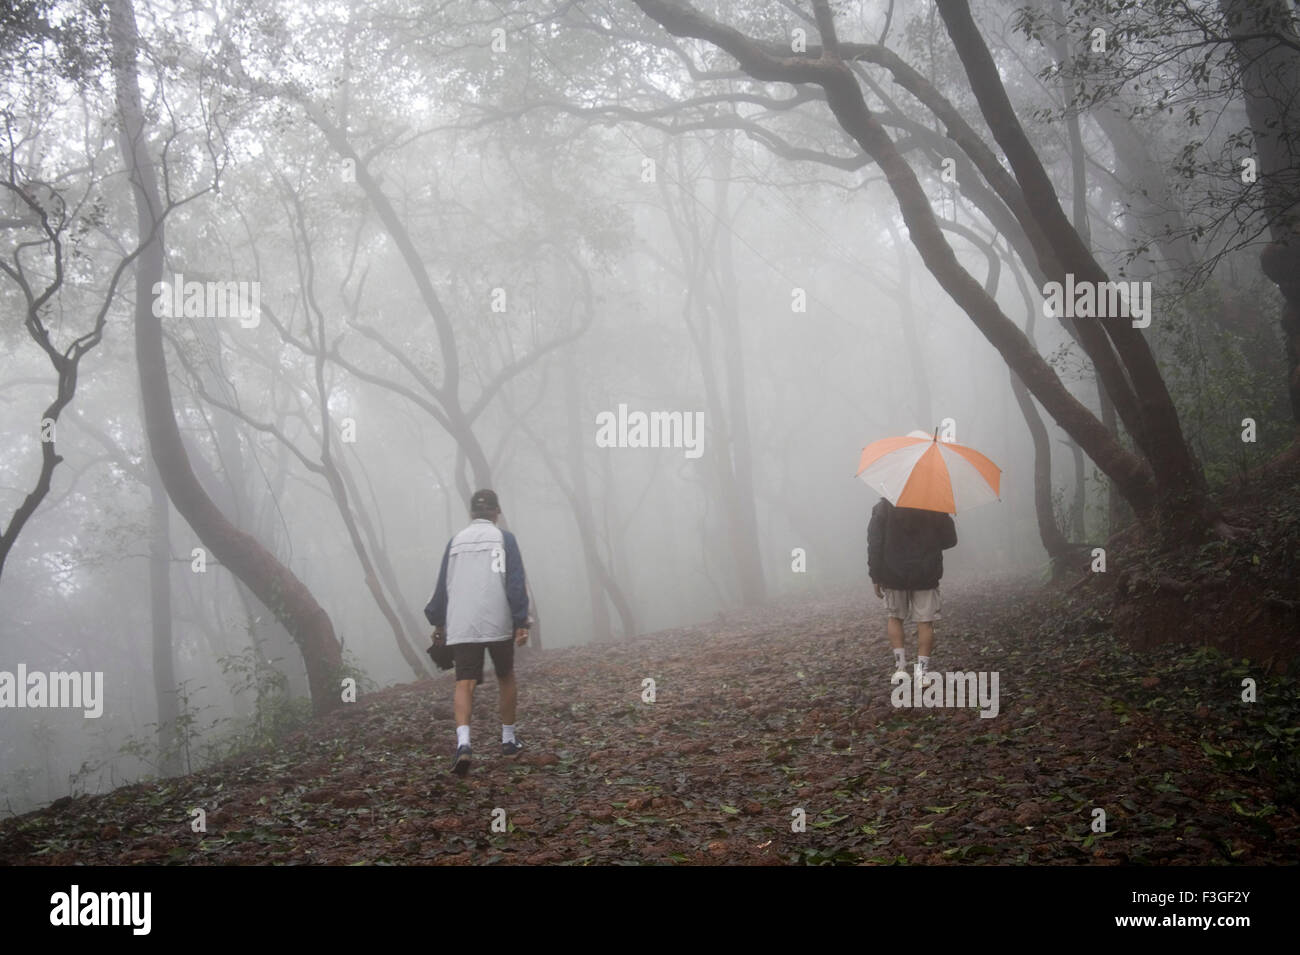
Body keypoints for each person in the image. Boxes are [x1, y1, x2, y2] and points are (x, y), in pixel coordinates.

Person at [425, 489, 530, 777]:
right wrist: (521, 620)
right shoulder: (504, 539)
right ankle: (508, 740)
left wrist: (438, 620)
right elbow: (515, 580)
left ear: (471, 514)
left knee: (464, 683)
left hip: (463, 621)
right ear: (497, 512)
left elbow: (443, 584)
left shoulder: (455, 542)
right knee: (505, 676)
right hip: (498, 619)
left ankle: (464, 745)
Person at [867, 497, 957, 686]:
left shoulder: (882, 507)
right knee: (925, 622)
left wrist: (875, 575)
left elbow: (875, 543)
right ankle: (922, 673)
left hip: (893, 573)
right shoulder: (934, 504)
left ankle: (900, 669)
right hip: (926, 573)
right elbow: (950, 541)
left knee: (895, 617)